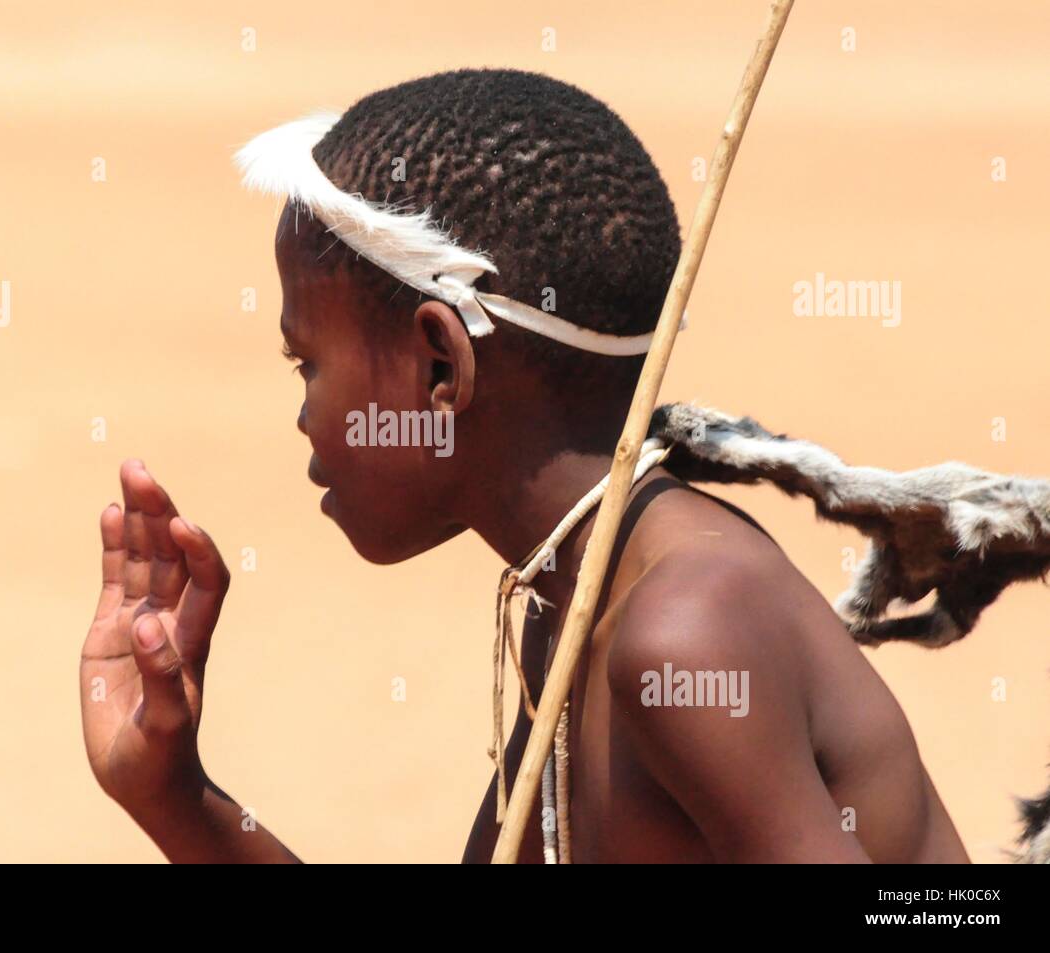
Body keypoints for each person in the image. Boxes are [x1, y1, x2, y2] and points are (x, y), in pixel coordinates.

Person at [78, 69, 970, 862]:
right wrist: (172, 792)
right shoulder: (573, 595)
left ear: (439, 367)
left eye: (306, 362)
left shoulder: (682, 629)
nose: (304, 413)